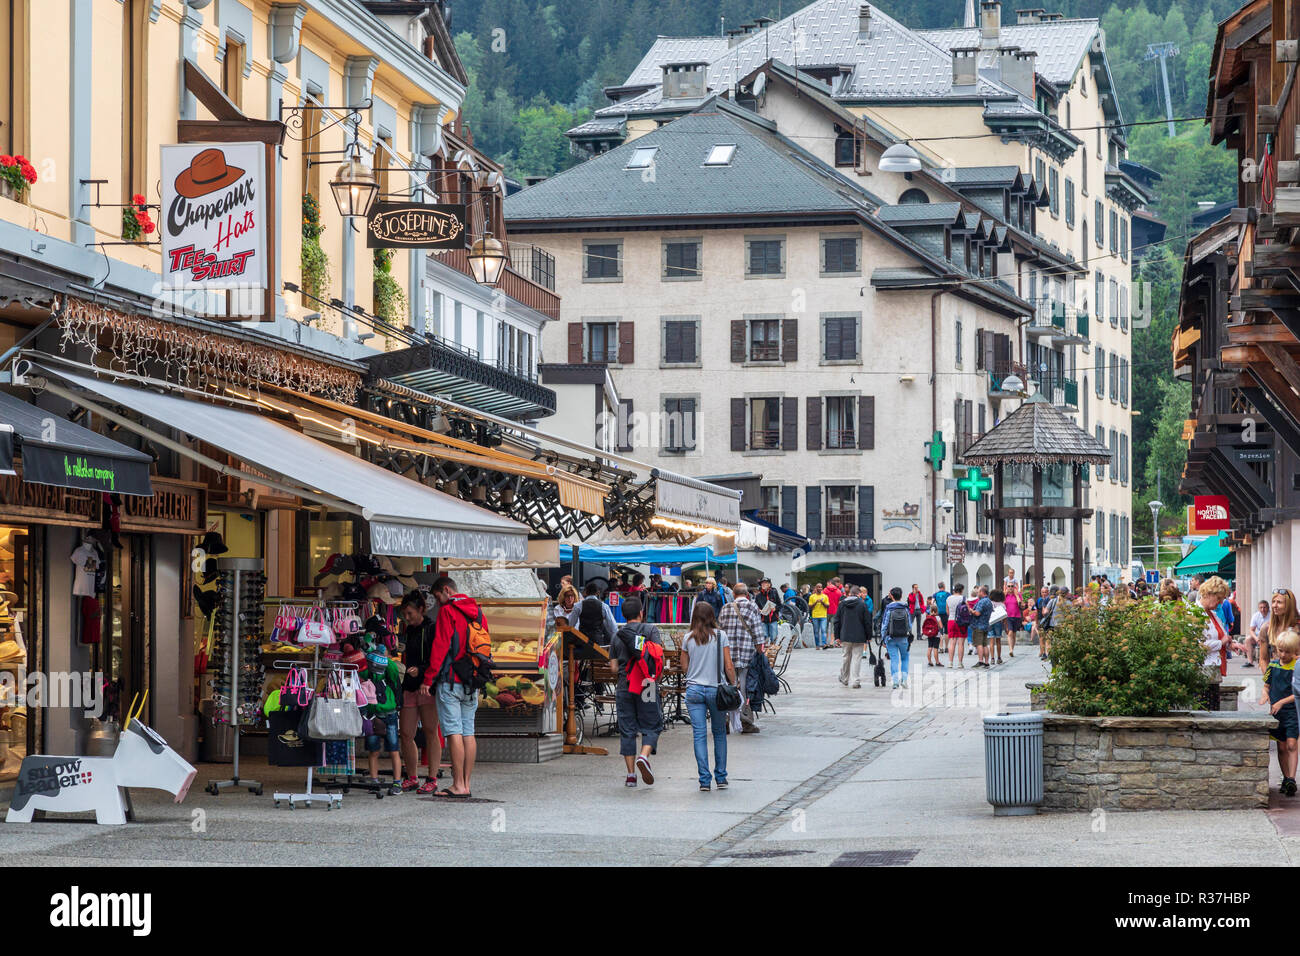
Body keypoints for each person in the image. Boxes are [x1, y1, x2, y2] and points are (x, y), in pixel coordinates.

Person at [424, 576, 481, 799]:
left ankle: (457, 784)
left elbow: (440, 646)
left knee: (453, 731)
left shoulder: (448, 612)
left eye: (438, 597)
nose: (438, 603)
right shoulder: (477, 611)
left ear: (447, 590)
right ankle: (466, 783)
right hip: (472, 681)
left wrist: (428, 679)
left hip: (450, 680)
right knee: (469, 732)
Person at [680, 602, 736, 792]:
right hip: (715, 689)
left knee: (699, 735)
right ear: (712, 616)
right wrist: (734, 684)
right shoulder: (721, 636)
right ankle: (721, 776)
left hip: (694, 690)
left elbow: (684, 667)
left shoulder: (688, 638)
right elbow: (728, 666)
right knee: (719, 733)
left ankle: (704, 780)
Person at [610, 594, 664, 787]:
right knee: (653, 724)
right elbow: (659, 657)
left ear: (624, 615)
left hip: (625, 686)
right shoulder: (651, 630)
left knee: (627, 729)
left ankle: (631, 775)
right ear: (641, 613)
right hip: (647, 685)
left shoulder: (617, 635)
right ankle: (644, 755)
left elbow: (614, 668)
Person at [397, 590, 442, 794]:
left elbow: (437, 658)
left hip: (427, 686)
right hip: (409, 686)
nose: (407, 618)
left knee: (431, 732)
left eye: (410, 613)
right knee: (406, 733)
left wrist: (422, 671)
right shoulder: (408, 631)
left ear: (421, 610)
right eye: (404, 614)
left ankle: (432, 778)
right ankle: (412, 777)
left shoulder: (431, 629)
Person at [718, 582, 765, 733]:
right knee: (744, 688)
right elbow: (758, 633)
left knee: (726, 686)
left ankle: (724, 717)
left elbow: (719, 632)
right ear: (747, 594)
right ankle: (744, 721)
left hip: (727, 655)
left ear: (733, 594)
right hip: (746, 655)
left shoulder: (725, 608)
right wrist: (760, 651)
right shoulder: (752, 607)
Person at [361, 643, 404, 795]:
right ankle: (374, 780)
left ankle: (397, 782)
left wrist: (383, 656)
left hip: (389, 715)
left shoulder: (389, 672)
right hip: (374, 716)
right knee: (374, 751)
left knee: (393, 750)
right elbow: (361, 671)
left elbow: (391, 668)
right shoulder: (368, 674)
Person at [1262, 629, 1300, 796]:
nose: (1283, 655)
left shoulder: (1296, 668)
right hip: (1276, 713)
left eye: (1287, 652)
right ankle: (1286, 778)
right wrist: (1265, 694)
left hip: (1292, 711)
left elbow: (1297, 693)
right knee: (1282, 746)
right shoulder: (1273, 666)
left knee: (1292, 744)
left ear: (1295, 652)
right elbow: (1266, 685)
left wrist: (1281, 702)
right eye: (1280, 651)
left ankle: (1292, 778)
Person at [1197, 576, 1230, 711]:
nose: (1221, 602)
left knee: (1212, 709)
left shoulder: (1212, 614)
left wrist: (1230, 644)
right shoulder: (1195, 613)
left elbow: (1222, 636)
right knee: (1205, 709)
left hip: (1213, 670)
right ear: (1209, 594)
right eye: (1219, 598)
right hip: (1203, 671)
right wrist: (1220, 643)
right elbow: (1198, 645)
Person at [834, 585, 872, 688]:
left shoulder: (842, 604)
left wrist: (837, 636)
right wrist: (869, 636)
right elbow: (867, 622)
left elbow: (836, 621)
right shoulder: (862, 604)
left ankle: (845, 679)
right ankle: (855, 681)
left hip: (845, 635)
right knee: (856, 658)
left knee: (846, 657)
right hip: (859, 636)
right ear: (858, 594)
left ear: (850, 593)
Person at [880, 587, 912, 689]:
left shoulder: (889, 608)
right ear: (901, 596)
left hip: (891, 638)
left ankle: (895, 682)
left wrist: (883, 639)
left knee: (894, 659)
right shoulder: (905, 608)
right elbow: (910, 625)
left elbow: (884, 625)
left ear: (892, 596)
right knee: (905, 658)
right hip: (903, 638)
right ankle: (904, 680)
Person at [570, 581, 618, 646]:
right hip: (598, 641)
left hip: (582, 641)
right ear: (598, 593)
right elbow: (613, 626)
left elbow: (570, 625)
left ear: (586, 592)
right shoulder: (604, 606)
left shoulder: (578, 606)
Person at [1264, 588, 1300, 669]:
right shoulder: (1267, 628)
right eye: (1273, 602)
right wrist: (1270, 678)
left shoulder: (1298, 626)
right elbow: (1263, 659)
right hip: (1277, 675)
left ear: (1289, 605)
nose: (1274, 606)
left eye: (1279, 602)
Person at [945, 583, 968, 668]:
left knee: (952, 642)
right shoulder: (963, 598)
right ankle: (960, 663)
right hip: (961, 622)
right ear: (961, 590)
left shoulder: (948, 598)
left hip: (951, 621)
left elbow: (947, 611)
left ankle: (950, 663)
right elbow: (967, 610)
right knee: (960, 643)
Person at [756, 578, 781, 644]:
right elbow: (755, 607)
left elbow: (780, 605)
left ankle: (773, 653)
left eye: (766, 583)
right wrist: (758, 610)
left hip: (773, 619)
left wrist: (775, 608)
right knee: (764, 639)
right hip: (763, 620)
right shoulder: (758, 596)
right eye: (762, 583)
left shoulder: (774, 593)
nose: (763, 584)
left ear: (769, 584)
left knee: (774, 638)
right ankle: (764, 653)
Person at [1246, 600, 1270, 667]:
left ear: (1268, 608)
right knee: (1248, 639)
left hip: (1269, 635)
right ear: (1259, 608)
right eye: (1261, 607)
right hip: (1259, 635)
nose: (1263, 609)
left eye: (1265, 607)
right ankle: (1250, 662)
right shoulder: (1256, 615)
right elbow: (1251, 630)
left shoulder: (1272, 615)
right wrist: (1256, 639)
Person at [808, 583, 830, 649]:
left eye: (821, 587)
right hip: (815, 616)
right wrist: (816, 602)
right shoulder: (812, 596)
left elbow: (828, 606)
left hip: (823, 616)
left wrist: (822, 602)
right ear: (816, 588)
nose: (820, 588)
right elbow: (810, 606)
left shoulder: (825, 596)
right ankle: (817, 645)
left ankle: (824, 644)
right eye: (818, 587)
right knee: (816, 631)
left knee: (823, 630)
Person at [1003, 584, 1022, 658]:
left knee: (1014, 634)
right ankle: (1010, 650)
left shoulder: (1018, 595)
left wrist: (1016, 595)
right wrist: (1005, 594)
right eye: (1009, 586)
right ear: (1006, 587)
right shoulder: (1005, 595)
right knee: (1010, 632)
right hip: (1008, 617)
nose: (1010, 588)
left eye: (1012, 586)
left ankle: (1012, 650)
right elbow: (1001, 603)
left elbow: (1020, 603)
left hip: (1016, 616)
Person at [922, 599, 942, 667]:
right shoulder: (938, 617)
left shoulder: (928, 617)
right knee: (935, 648)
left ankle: (930, 662)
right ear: (937, 611)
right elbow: (941, 626)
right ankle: (937, 662)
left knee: (929, 647)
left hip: (930, 634)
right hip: (936, 634)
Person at [825, 578, 844, 645]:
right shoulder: (839, 591)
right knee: (833, 628)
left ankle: (825, 642)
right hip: (835, 611)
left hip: (826, 611)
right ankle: (832, 642)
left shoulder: (825, 590)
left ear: (829, 583)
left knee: (825, 627)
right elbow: (840, 602)